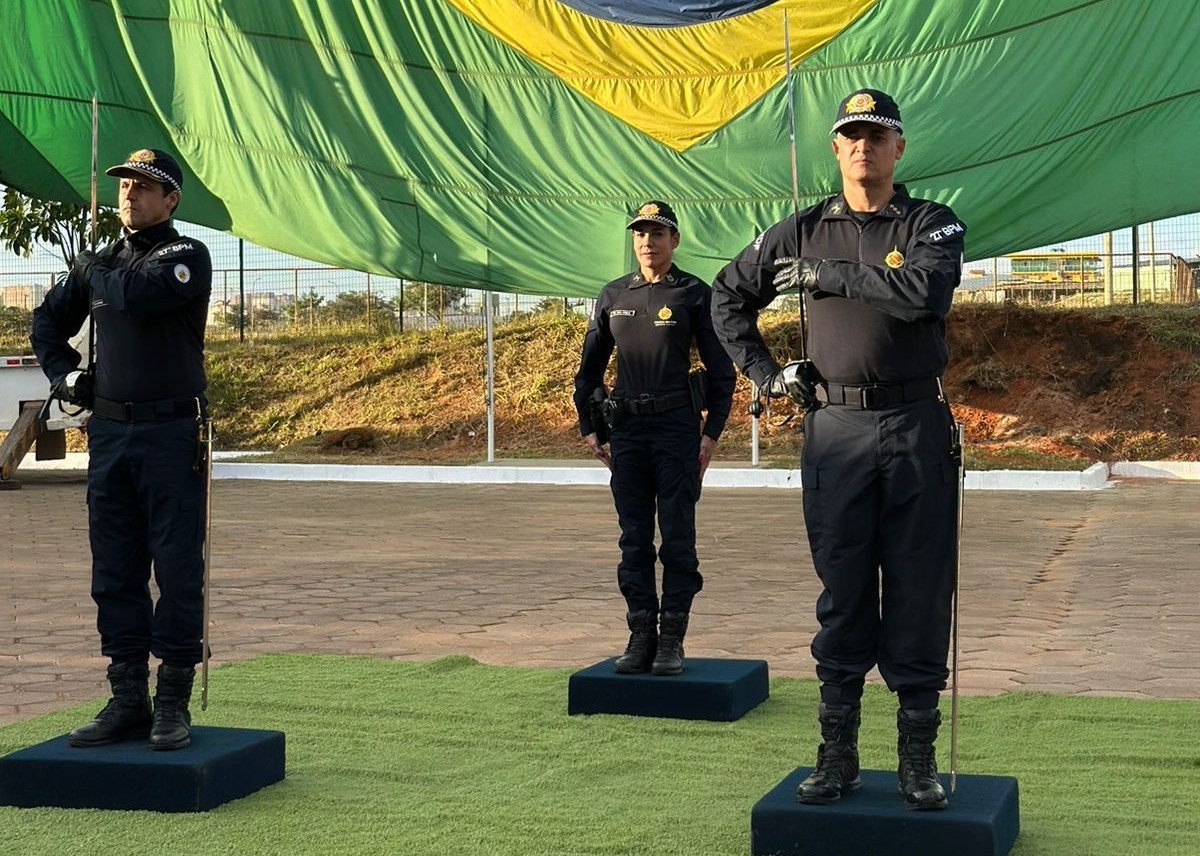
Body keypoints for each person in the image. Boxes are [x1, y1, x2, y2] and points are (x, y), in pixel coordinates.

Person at [711, 90, 966, 809]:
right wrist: (767, 373)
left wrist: (827, 275)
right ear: (835, 149)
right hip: (835, 430)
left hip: (915, 423)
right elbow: (728, 298)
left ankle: (916, 760)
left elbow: (923, 293)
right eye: (851, 136)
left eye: (877, 137)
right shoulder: (797, 228)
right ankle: (837, 754)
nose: (864, 147)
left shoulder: (930, 222)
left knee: (919, 585)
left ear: (898, 149)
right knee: (843, 587)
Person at [31, 148, 213, 750]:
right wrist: (66, 377)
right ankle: (127, 696)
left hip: (170, 435)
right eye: (125, 184)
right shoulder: (101, 262)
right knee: (115, 567)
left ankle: (173, 702)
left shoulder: (186, 256)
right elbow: (45, 324)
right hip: (109, 434)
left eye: (144, 186)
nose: (130, 194)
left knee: (178, 568)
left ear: (171, 200)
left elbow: (137, 295)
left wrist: (88, 268)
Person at [573, 201, 735, 677]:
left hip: (677, 431)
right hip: (627, 431)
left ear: (674, 241)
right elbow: (588, 371)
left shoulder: (693, 294)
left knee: (678, 540)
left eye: (658, 233)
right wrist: (589, 426)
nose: (648, 240)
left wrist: (711, 434)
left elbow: (721, 372)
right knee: (634, 539)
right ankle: (641, 632)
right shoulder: (612, 295)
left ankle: (672, 639)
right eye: (641, 233)